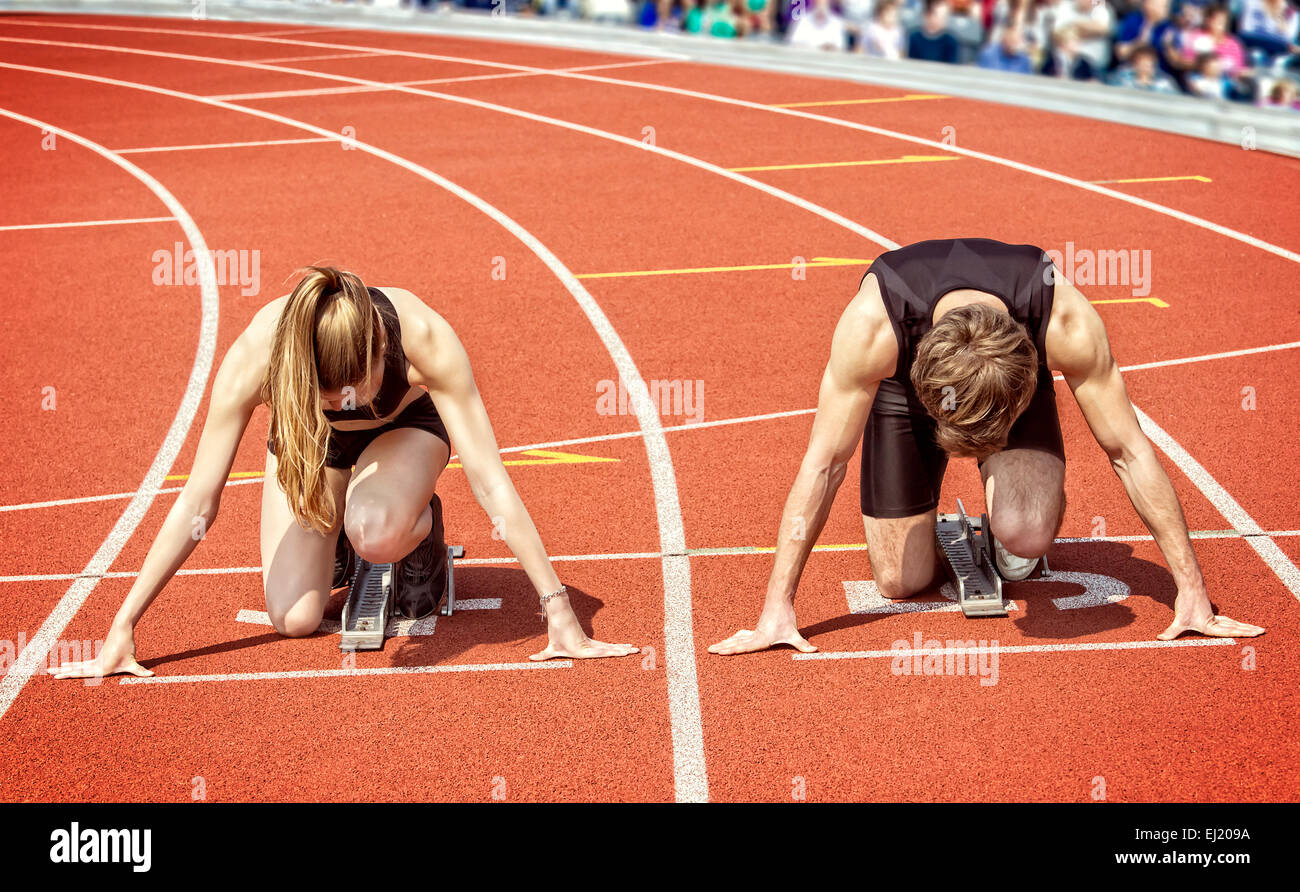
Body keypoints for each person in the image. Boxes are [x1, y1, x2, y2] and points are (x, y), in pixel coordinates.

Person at [53, 267, 639, 679]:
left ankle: (415, 525)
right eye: (332, 398)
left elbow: (490, 480)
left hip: (405, 431)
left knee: (377, 530)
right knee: (294, 618)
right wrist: (123, 624)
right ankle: (335, 529)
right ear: (303, 377)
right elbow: (199, 502)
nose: (348, 405)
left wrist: (559, 613)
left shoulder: (424, 340)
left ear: (381, 352)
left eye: (357, 391)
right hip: (312, 448)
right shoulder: (257, 357)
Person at [709, 238, 1264, 655]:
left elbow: (1128, 450)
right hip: (906, 386)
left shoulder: (1063, 324)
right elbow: (826, 463)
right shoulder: (872, 332)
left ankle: (1005, 529)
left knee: (1025, 534)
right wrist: (776, 607)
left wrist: (1192, 592)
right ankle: (945, 510)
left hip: (1004, 380)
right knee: (900, 582)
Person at [1109, 42, 1181, 89]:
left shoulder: (1164, 82)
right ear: (1134, 63)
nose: (1145, 63)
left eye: (1149, 60)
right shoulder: (1121, 77)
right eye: (1141, 60)